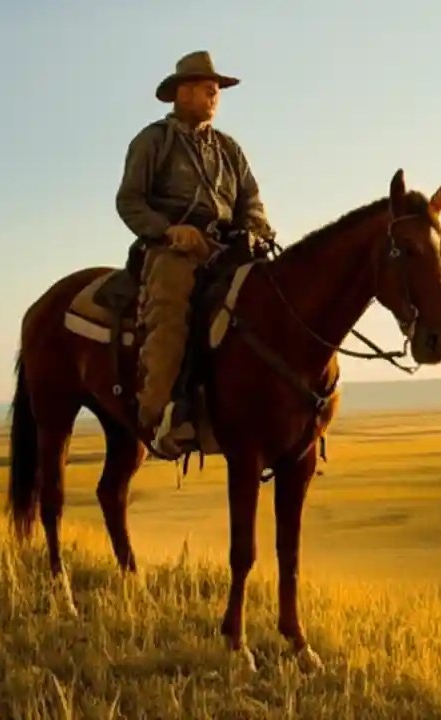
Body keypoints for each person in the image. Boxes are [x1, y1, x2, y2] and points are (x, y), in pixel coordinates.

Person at [115, 50, 276, 459]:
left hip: (229, 246)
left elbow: (251, 199)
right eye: (208, 89)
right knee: (170, 310)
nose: (215, 96)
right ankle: (163, 412)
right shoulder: (153, 140)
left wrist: (256, 230)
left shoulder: (229, 149)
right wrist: (169, 231)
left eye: (216, 90)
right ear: (182, 93)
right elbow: (129, 201)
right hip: (173, 249)